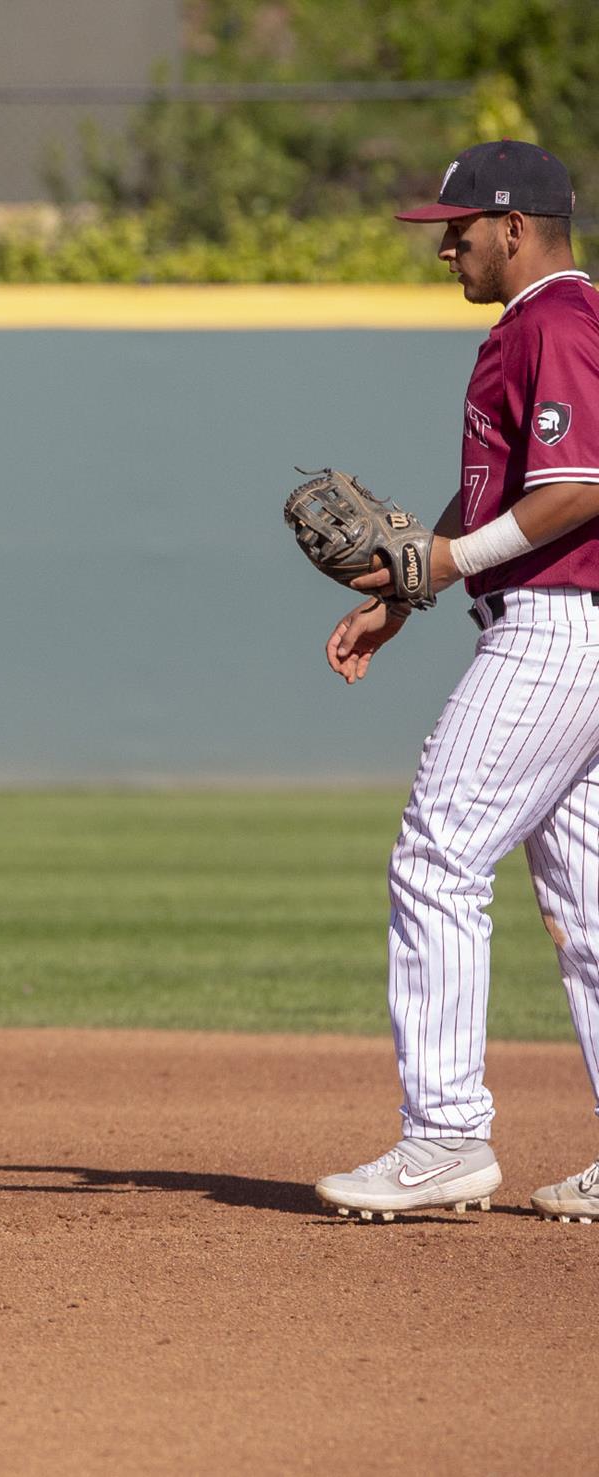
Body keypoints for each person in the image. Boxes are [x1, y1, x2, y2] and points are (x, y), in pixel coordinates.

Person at [315, 140, 599, 1224]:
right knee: (583, 907)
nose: (443, 246)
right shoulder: (537, 328)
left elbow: (575, 490)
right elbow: (498, 496)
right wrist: (404, 592)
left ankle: (442, 1136)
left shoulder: (556, 322)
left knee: (437, 853)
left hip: (556, 631)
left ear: (513, 226)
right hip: (564, 630)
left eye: (456, 227)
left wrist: (439, 563)